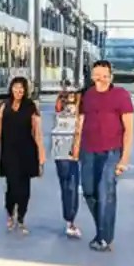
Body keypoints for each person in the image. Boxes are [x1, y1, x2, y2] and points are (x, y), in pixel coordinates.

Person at [73, 60, 134, 252]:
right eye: (98, 76)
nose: (102, 79)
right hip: (88, 151)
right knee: (89, 192)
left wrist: (124, 159)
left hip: (111, 151)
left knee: (105, 192)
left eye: (105, 76)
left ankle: (104, 237)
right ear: (92, 77)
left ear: (111, 77)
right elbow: (81, 123)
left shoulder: (121, 96)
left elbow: (129, 129)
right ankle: (102, 229)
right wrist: (76, 147)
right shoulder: (88, 96)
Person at [0, 76, 45, 234]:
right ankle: (9, 211)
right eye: (15, 87)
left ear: (26, 90)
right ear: (11, 88)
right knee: (12, 186)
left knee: (25, 189)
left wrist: (41, 154)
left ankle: (21, 217)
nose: (18, 91)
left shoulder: (31, 107)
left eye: (21, 88)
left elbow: (37, 133)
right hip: (9, 153)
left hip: (27, 152)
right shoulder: (2, 107)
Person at [52, 79, 82, 238]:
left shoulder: (79, 106)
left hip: (73, 148)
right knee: (68, 184)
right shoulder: (60, 104)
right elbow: (57, 109)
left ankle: (70, 219)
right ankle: (69, 218)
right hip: (61, 149)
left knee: (70, 184)